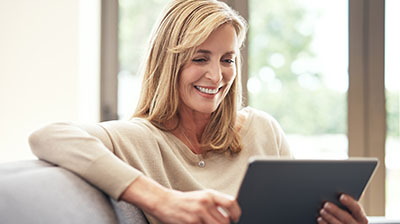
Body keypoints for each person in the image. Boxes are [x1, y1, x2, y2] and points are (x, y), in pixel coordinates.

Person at [29, 0, 369, 223]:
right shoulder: (137, 138)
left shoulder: (261, 130)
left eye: (227, 59)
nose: (216, 75)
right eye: (199, 58)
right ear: (169, 63)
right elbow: (47, 136)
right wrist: (162, 200)